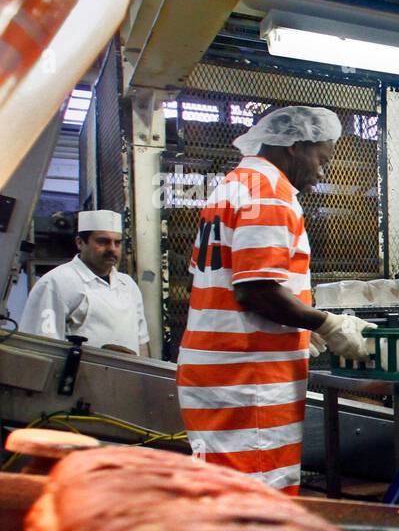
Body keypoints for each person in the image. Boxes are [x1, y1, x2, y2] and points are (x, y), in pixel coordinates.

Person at [175, 106, 373, 495]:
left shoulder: (232, 185)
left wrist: (296, 326)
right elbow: (256, 288)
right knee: (258, 498)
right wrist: (325, 324)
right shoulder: (270, 192)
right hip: (250, 378)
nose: (321, 173)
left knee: (223, 490)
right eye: (322, 159)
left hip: (219, 373)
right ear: (297, 146)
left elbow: (223, 278)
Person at [18, 209, 148, 355]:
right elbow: (41, 347)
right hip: (79, 377)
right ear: (80, 243)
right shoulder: (56, 283)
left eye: (117, 243)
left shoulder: (128, 285)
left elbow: (142, 342)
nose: (112, 249)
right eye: (103, 241)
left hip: (127, 376)